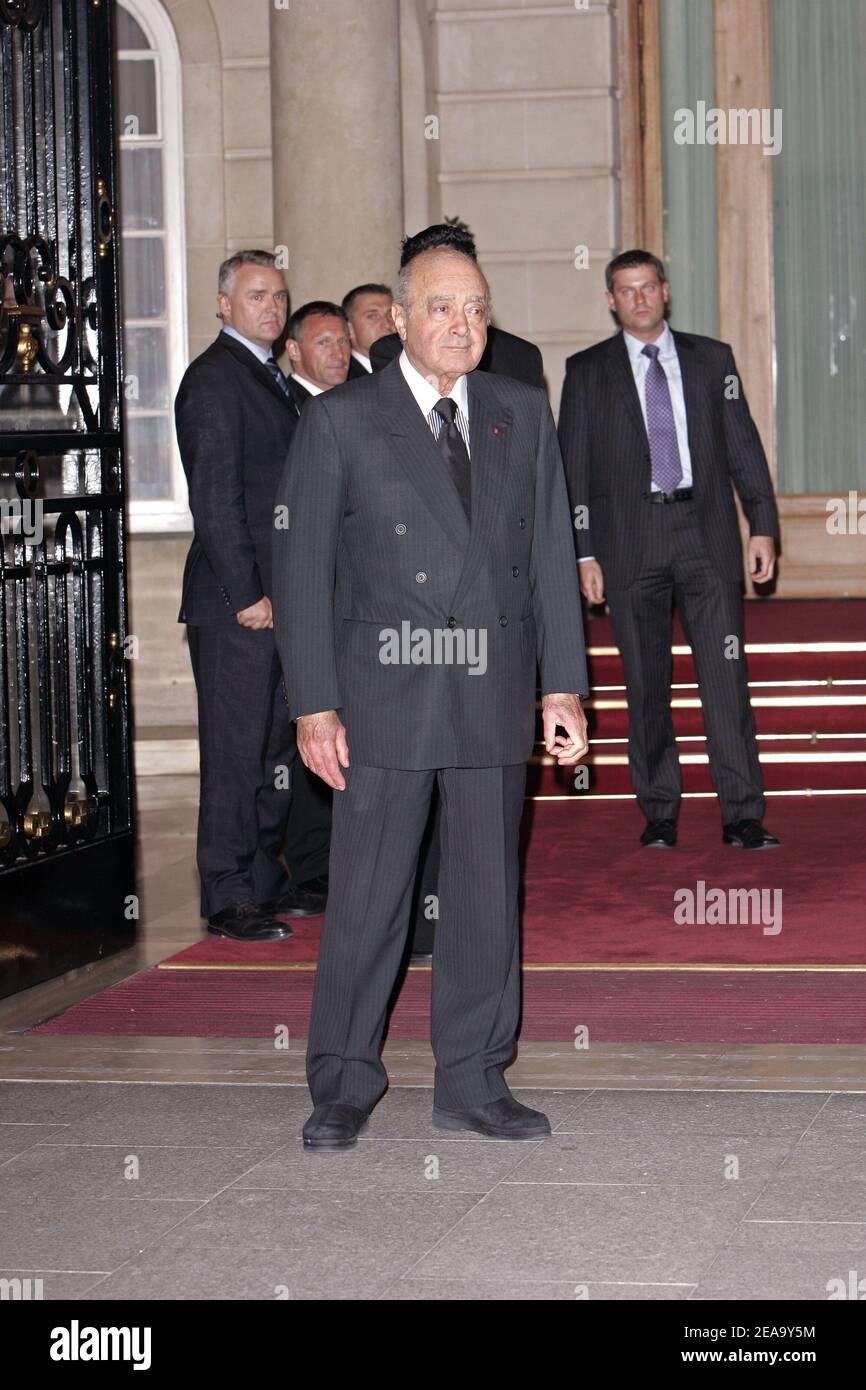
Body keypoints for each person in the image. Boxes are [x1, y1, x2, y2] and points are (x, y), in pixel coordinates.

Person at [273, 243, 589, 1149]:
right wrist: (314, 705)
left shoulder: (520, 412)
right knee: (370, 898)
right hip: (383, 695)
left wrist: (561, 687)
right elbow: (301, 575)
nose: (464, 326)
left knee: (487, 894)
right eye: (444, 308)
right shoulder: (341, 420)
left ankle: (474, 1077)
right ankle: (342, 1082)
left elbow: (550, 567)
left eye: (478, 310)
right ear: (400, 321)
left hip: (492, 688)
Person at [558, 248, 780, 850]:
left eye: (647, 287)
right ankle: (659, 811)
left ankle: (742, 815)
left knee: (725, 681)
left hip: (705, 535)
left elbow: (744, 446)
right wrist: (583, 553)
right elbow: (571, 470)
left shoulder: (714, 360)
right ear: (610, 299)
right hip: (630, 547)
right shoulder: (586, 371)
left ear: (665, 291)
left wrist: (762, 523)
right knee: (645, 685)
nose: (638, 298)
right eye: (625, 290)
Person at [175, 250, 327, 943]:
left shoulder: (277, 382)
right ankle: (227, 895)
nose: (271, 307)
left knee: (275, 754)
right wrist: (248, 593)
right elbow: (216, 499)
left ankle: (262, 885)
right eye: (257, 295)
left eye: (279, 296)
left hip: (284, 600)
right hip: (240, 605)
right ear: (223, 305)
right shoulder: (213, 380)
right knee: (236, 754)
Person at [370, 224, 544, 388]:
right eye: (442, 308)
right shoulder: (388, 352)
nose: (461, 328)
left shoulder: (521, 357)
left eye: (474, 310)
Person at [284, 301, 351, 412]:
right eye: (323, 342)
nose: (339, 354)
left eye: (343, 341)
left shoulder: (360, 399)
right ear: (294, 350)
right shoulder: (282, 408)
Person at [341, 282, 394, 377]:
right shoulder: (343, 378)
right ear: (350, 329)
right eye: (372, 316)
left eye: (391, 314)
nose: (387, 324)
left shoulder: (411, 367)